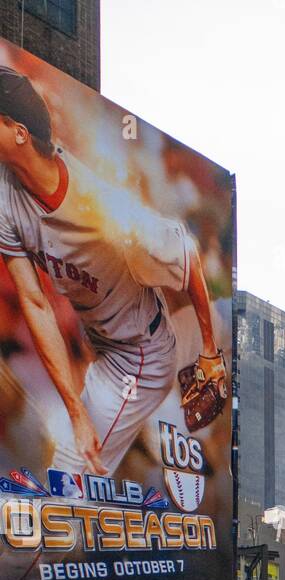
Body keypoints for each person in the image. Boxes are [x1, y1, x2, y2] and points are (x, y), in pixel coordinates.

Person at [0, 65, 225, 478]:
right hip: (98, 338)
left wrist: (210, 352)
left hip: (139, 354)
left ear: (19, 133)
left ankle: (176, 457)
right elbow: (34, 301)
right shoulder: (6, 193)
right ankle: (162, 450)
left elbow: (186, 253)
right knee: (88, 449)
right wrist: (74, 409)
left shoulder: (102, 210)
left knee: (68, 473)